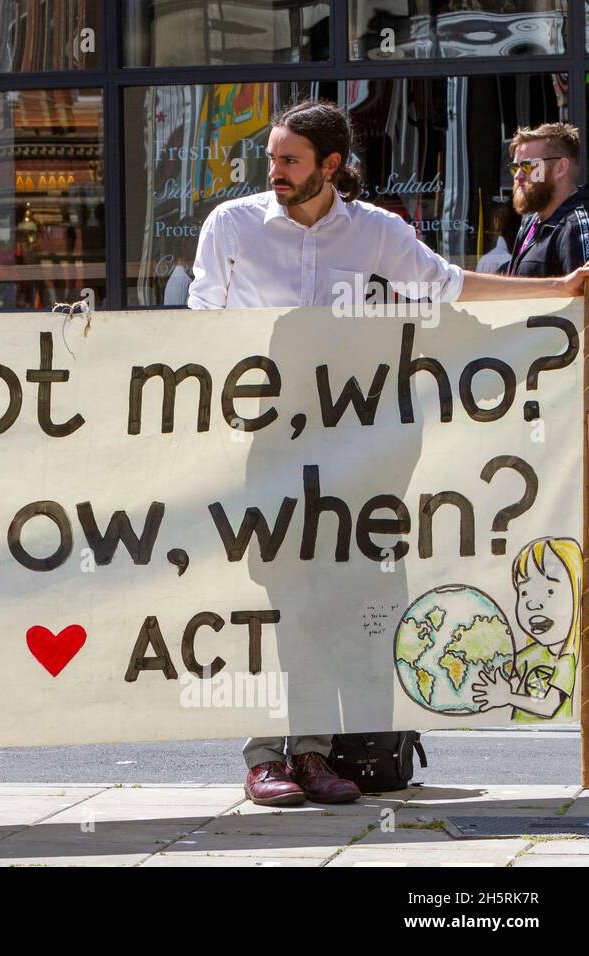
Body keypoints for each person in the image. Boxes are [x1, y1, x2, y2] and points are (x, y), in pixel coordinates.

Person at [188, 99, 589, 807]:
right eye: (272, 159)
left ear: (330, 166)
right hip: (260, 445)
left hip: (349, 451)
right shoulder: (233, 226)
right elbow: (198, 324)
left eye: (289, 160)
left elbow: (450, 286)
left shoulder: (375, 232)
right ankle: (262, 757)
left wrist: (556, 290)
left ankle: (311, 755)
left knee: (327, 599)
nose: (273, 172)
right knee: (273, 602)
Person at [472, 536, 581, 722]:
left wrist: (507, 697)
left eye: (550, 591)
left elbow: (549, 706)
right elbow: (511, 683)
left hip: (550, 738)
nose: (532, 604)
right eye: (524, 592)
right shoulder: (528, 654)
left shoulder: (565, 660)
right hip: (517, 730)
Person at [504, 123, 589, 278]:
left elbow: (584, 299)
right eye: (515, 168)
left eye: (528, 166)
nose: (518, 176)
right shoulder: (530, 223)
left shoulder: (576, 225)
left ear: (560, 168)